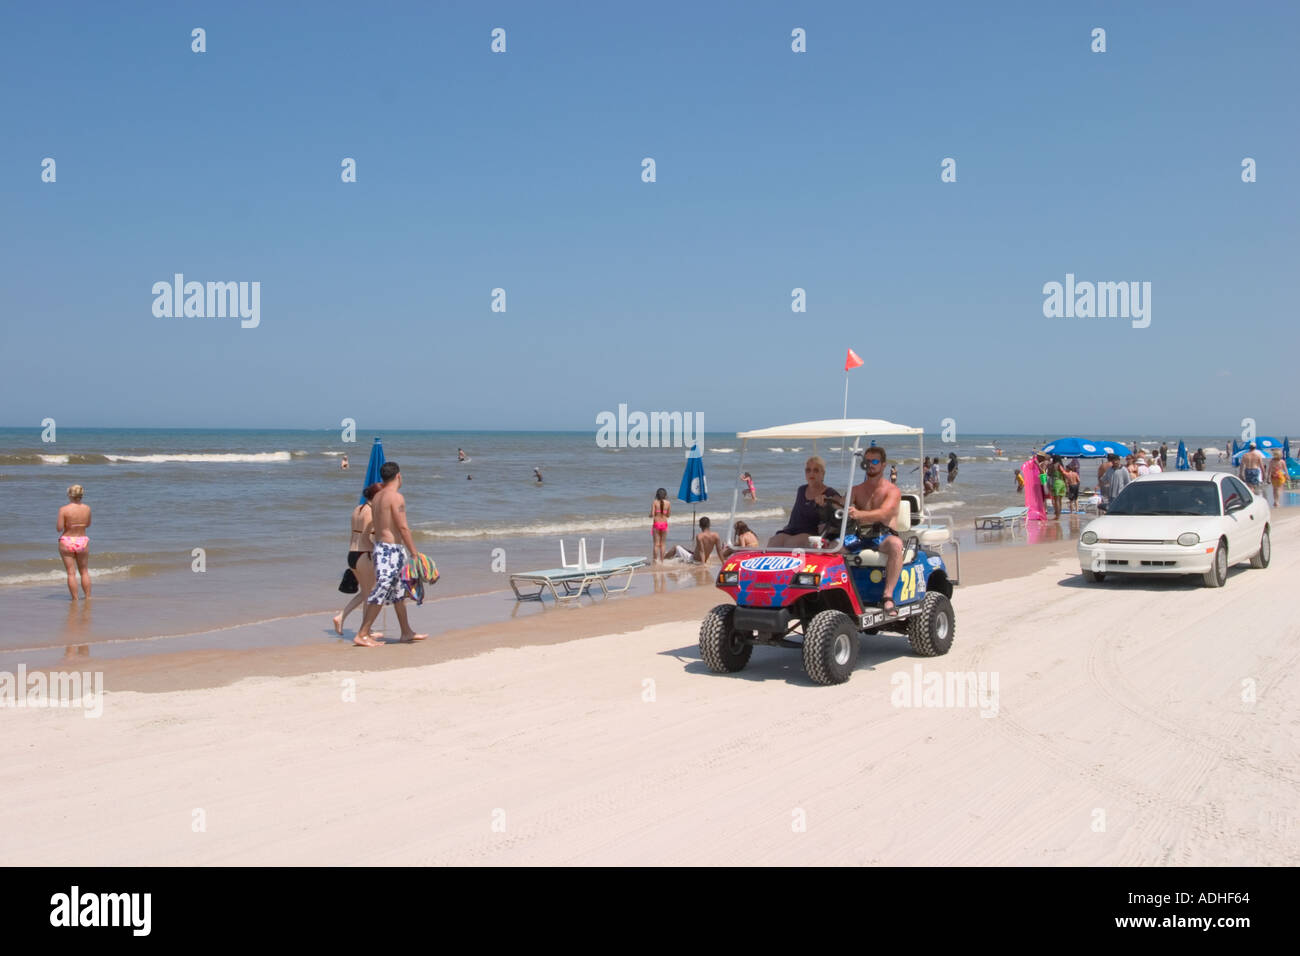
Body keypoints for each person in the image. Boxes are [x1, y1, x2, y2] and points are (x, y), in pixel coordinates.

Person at [354, 462, 427, 647]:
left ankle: (406, 632)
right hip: (390, 550)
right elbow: (403, 527)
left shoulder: (377, 497)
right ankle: (362, 633)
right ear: (399, 476)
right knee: (383, 588)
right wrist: (414, 553)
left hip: (382, 547)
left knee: (398, 592)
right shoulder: (396, 497)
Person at [840, 447, 904, 616]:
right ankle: (838, 593)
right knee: (833, 548)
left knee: (896, 545)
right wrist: (829, 502)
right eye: (867, 461)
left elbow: (884, 513)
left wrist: (860, 514)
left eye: (874, 461)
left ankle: (887, 597)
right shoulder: (856, 490)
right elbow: (841, 506)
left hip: (883, 536)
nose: (870, 465)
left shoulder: (892, 491)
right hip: (859, 536)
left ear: (883, 465)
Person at [333, 484, 382, 637]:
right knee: (371, 593)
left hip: (352, 554)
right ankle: (365, 631)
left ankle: (342, 617)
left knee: (366, 592)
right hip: (364, 554)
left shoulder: (357, 509)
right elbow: (369, 535)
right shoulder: (372, 512)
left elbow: (356, 533)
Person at [767, 456, 838, 548]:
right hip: (792, 530)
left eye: (816, 470)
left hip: (812, 533)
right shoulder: (801, 489)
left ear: (823, 474)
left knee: (792, 542)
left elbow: (840, 506)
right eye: (808, 470)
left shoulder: (830, 493)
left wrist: (828, 504)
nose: (811, 473)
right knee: (774, 541)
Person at [56, 484, 92, 600]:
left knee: (71, 573)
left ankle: (75, 599)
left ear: (69, 495)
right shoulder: (87, 508)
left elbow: (59, 528)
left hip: (67, 541)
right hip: (82, 540)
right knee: (84, 571)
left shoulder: (64, 509)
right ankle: (87, 597)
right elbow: (88, 524)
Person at [651, 488, 671, 563]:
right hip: (664, 524)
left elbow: (652, 514)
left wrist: (650, 515)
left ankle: (655, 561)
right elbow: (668, 515)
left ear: (657, 494)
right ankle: (662, 561)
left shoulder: (655, 502)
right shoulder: (668, 503)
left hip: (656, 524)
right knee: (663, 544)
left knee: (656, 544)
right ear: (665, 495)